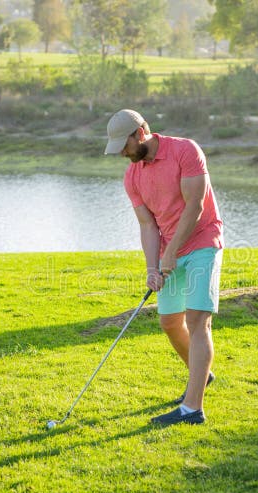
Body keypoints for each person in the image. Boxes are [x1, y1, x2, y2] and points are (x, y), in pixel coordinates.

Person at [104, 109, 224, 426]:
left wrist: (170, 253)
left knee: (197, 321)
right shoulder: (132, 176)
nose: (123, 154)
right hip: (169, 248)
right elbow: (147, 225)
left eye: (125, 145)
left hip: (202, 241)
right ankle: (202, 374)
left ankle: (192, 409)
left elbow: (195, 206)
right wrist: (152, 268)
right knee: (170, 322)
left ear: (140, 133)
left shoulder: (185, 151)